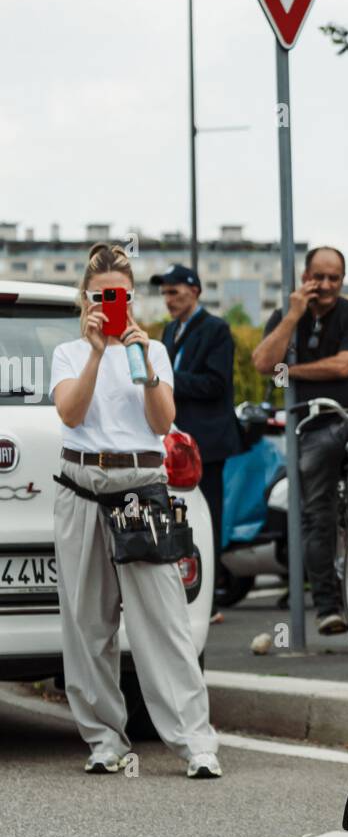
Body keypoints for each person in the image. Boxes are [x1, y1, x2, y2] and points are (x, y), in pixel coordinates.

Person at [49, 242, 222, 778]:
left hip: (140, 491)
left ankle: (196, 743)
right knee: (87, 624)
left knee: (164, 624)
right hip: (81, 485)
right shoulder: (69, 354)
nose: (110, 304)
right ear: (86, 296)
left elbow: (161, 421)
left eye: (120, 295)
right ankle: (104, 739)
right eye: (102, 296)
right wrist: (99, 351)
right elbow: (71, 414)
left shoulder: (154, 352)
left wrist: (140, 360)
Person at [252, 247, 348, 636]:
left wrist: (288, 370)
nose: (324, 285)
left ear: (342, 279)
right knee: (316, 513)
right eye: (317, 277)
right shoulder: (286, 316)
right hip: (312, 424)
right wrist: (292, 316)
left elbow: (345, 365)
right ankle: (328, 607)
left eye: (333, 278)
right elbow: (261, 363)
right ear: (304, 277)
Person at [152, 264, 240, 624]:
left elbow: (215, 383)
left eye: (175, 292)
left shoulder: (216, 329)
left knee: (208, 519)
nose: (169, 300)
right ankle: (180, 590)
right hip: (175, 443)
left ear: (196, 291)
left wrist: (166, 379)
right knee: (176, 518)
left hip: (207, 444)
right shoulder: (170, 330)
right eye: (165, 293)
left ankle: (210, 599)